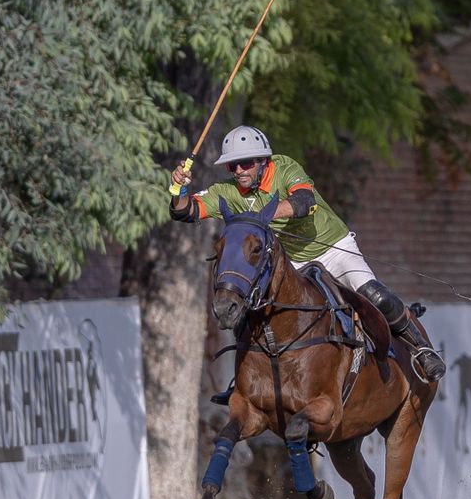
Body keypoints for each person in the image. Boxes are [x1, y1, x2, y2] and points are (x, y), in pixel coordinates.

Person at [170, 125, 446, 392]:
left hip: (333, 248)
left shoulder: (284, 168)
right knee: (249, 313)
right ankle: (245, 382)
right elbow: (185, 211)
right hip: (291, 264)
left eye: (246, 163)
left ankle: (421, 349)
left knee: (376, 296)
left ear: (263, 161)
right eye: (233, 166)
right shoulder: (228, 191)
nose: (240, 171)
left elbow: (304, 201)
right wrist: (178, 189)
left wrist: (264, 215)